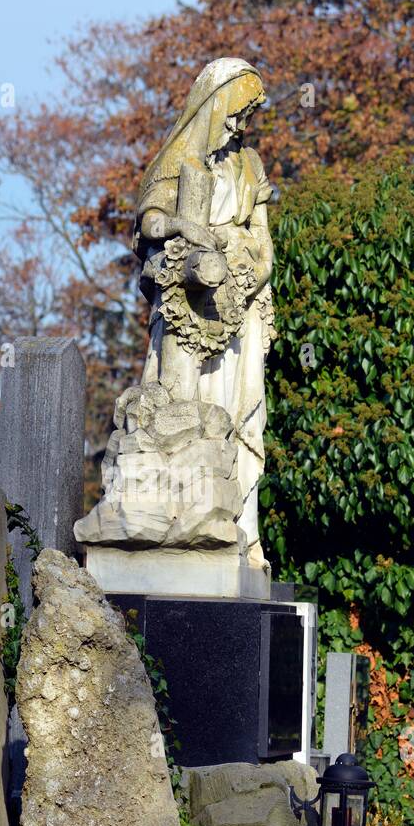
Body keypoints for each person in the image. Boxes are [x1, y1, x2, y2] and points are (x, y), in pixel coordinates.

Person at [132, 57, 275, 568]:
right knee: (192, 406)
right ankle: (193, 518)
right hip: (194, 297)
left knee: (244, 411)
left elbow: (263, 241)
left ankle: (243, 532)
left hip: (243, 301)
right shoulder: (180, 163)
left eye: (249, 117)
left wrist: (248, 278)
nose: (242, 125)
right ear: (214, 107)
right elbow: (149, 224)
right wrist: (181, 228)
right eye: (237, 113)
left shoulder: (250, 165)